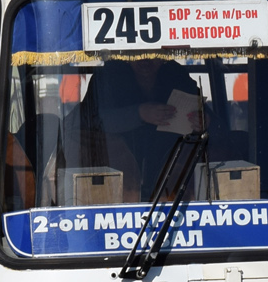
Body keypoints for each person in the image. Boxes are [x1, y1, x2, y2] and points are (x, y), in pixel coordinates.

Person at [81, 57, 204, 199]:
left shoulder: (176, 75)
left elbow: (216, 122)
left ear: (163, 56)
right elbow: (88, 122)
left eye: (152, 54)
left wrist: (204, 121)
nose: (145, 60)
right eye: (137, 54)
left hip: (172, 186)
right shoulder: (108, 76)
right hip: (113, 183)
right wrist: (139, 114)